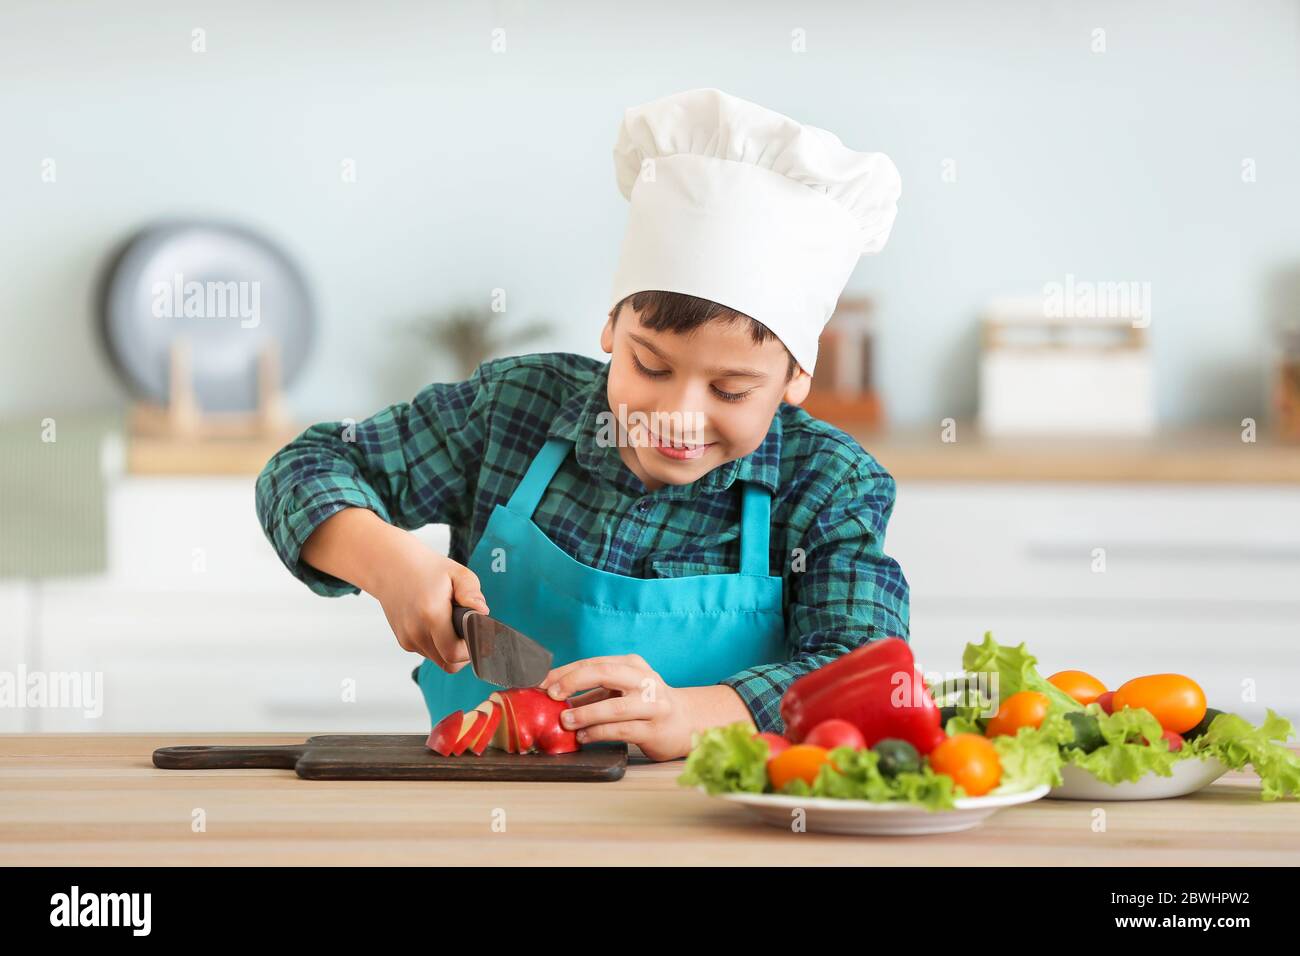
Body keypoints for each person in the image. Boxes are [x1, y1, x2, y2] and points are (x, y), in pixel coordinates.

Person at [255, 88, 908, 761]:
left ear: (797, 377)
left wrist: (697, 715)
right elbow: (304, 468)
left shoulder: (830, 485)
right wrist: (386, 561)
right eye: (650, 366)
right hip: (475, 814)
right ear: (611, 326)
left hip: (710, 827)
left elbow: (868, 675)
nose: (679, 418)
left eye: (731, 389)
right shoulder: (514, 409)